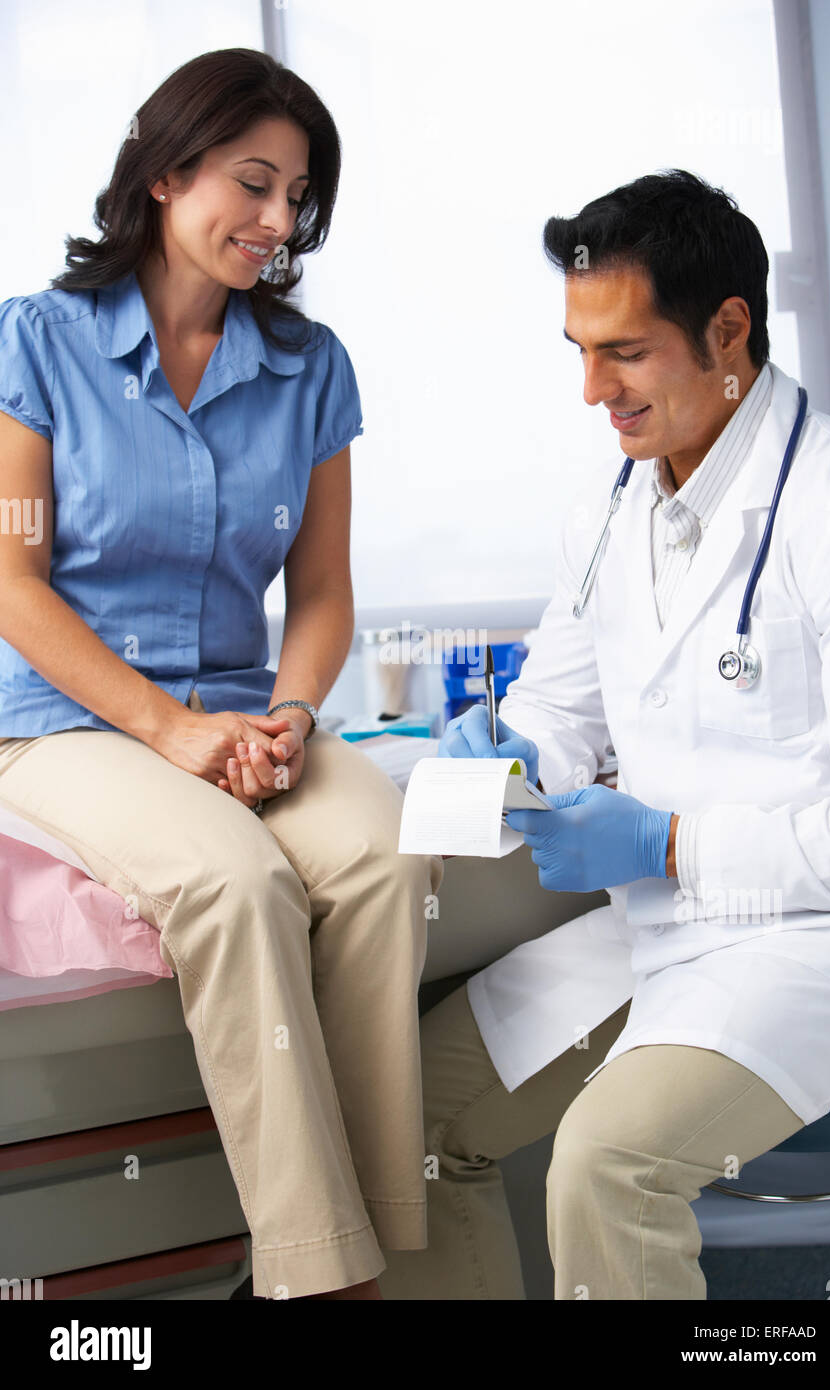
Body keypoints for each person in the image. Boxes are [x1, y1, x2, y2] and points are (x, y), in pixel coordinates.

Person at [0, 47, 442, 1301]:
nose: (275, 221)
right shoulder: (34, 344)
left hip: (248, 710)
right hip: (65, 720)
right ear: (163, 171)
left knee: (379, 855)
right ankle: (326, 1280)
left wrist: (290, 717)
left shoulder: (310, 368)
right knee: (238, 879)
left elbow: (322, 594)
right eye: (252, 183)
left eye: (296, 197)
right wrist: (170, 730)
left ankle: (370, 1231)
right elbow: (12, 584)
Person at [377, 169, 830, 1301]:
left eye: (625, 352)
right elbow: (559, 707)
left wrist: (663, 844)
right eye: (578, 351)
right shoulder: (613, 505)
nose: (592, 390)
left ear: (726, 329)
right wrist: (508, 756)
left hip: (812, 943)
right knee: (414, 1120)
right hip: (650, 929)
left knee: (605, 1168)